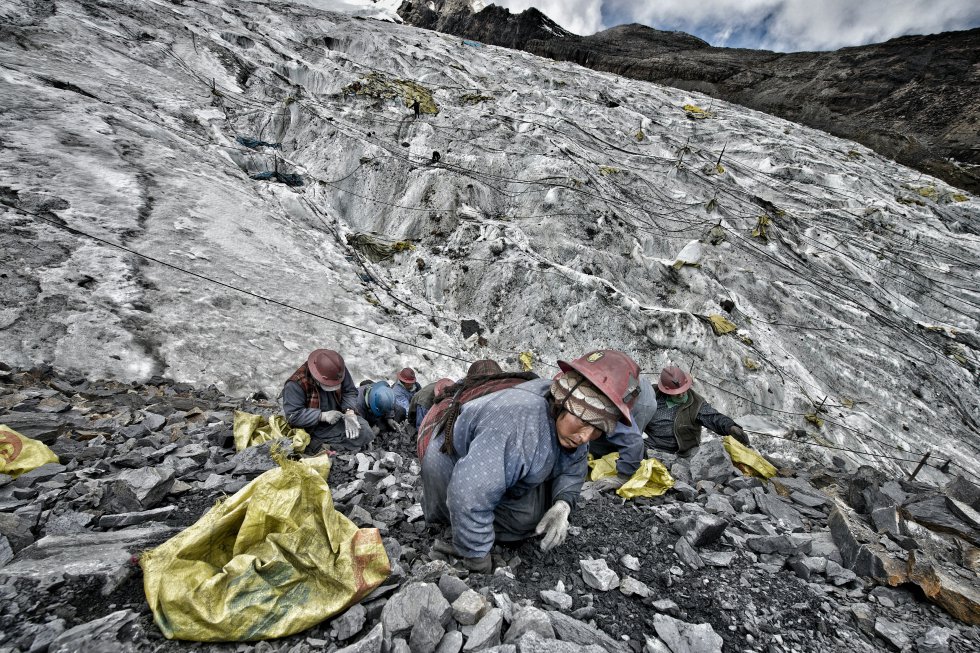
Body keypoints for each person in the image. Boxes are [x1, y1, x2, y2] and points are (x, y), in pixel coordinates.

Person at [421, 349, 640, 572]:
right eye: (584, 422)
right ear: (564, 401)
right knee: (518, 519)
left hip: (490, 470)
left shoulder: (570, 422)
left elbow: (573, 467)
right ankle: (455, 532)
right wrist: (476, 556)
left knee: (534, 516)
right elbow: (468, 493)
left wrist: (563, 503)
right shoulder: (518, 424)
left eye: (597, 430)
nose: (585, 437)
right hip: (450, 476)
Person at [591, 366, 748, 492]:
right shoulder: (652, 395)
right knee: (616, 447)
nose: (681, 395)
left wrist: (730, 427)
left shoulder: (696, 404)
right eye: (675, 393)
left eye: (682, 391)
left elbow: (714, 418)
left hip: (682, 453)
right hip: (651, 447)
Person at [282, 349, 374, 453]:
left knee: (364, 430)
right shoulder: (295, 384)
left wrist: (349, 411)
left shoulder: (337, 370)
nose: (334, 387)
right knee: (305, 442)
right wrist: (322, 416)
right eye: (329, 385)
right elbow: (293, 416)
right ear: (317, 377)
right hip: (314, 426)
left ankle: (330, 446)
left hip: (338, 417)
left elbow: (350, 391)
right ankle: (320, 446)